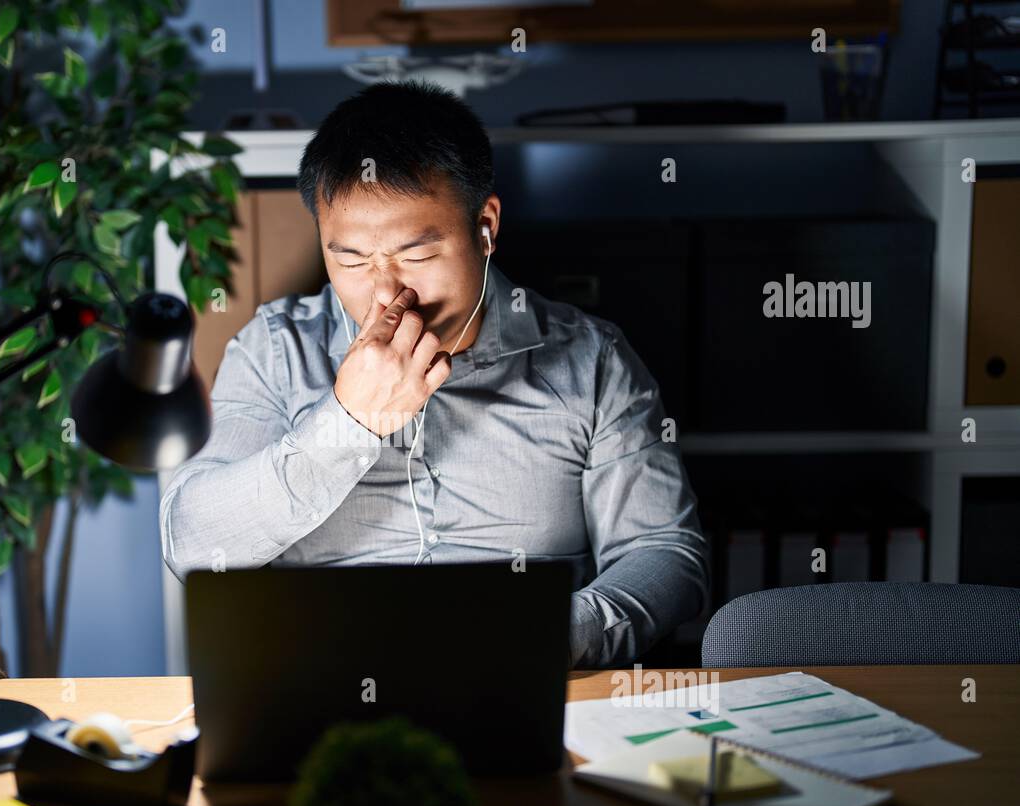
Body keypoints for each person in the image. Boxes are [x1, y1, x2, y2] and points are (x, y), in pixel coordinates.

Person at [159, 80, 710, 667]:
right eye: (348, 257)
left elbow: (664, 550)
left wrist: (558, 632)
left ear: (486, 227)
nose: (385, 293)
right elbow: (193, 546)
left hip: (530, 681)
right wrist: (349, 424)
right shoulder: (274, 348)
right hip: (322, 683)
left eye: (417, 255)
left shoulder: (590, 358)